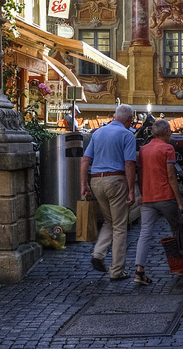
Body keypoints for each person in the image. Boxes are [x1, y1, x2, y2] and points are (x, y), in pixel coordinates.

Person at [80, 103, 139, 280]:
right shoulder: (127, 135)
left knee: (108, 221)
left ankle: (98, 254)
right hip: (116, 181)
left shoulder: (97, 133)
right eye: (132, 120)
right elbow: (129, 163)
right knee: (120, 227)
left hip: (97, 181)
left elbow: (85, 160)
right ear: (129, 119)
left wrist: (84, 183)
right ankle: (117, 270)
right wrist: (131, 190)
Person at [133, 118, 183, 284]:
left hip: (148, 197)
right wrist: (180, 202)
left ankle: (139, 270)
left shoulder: (143, 150)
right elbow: (171, 177)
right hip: (165, 196)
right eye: (170, 132)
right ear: (166, 133)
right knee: (177, 230)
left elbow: (140, 175)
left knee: (145, 233)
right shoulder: (168, 149)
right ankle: (181, 265)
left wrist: (143, 192)